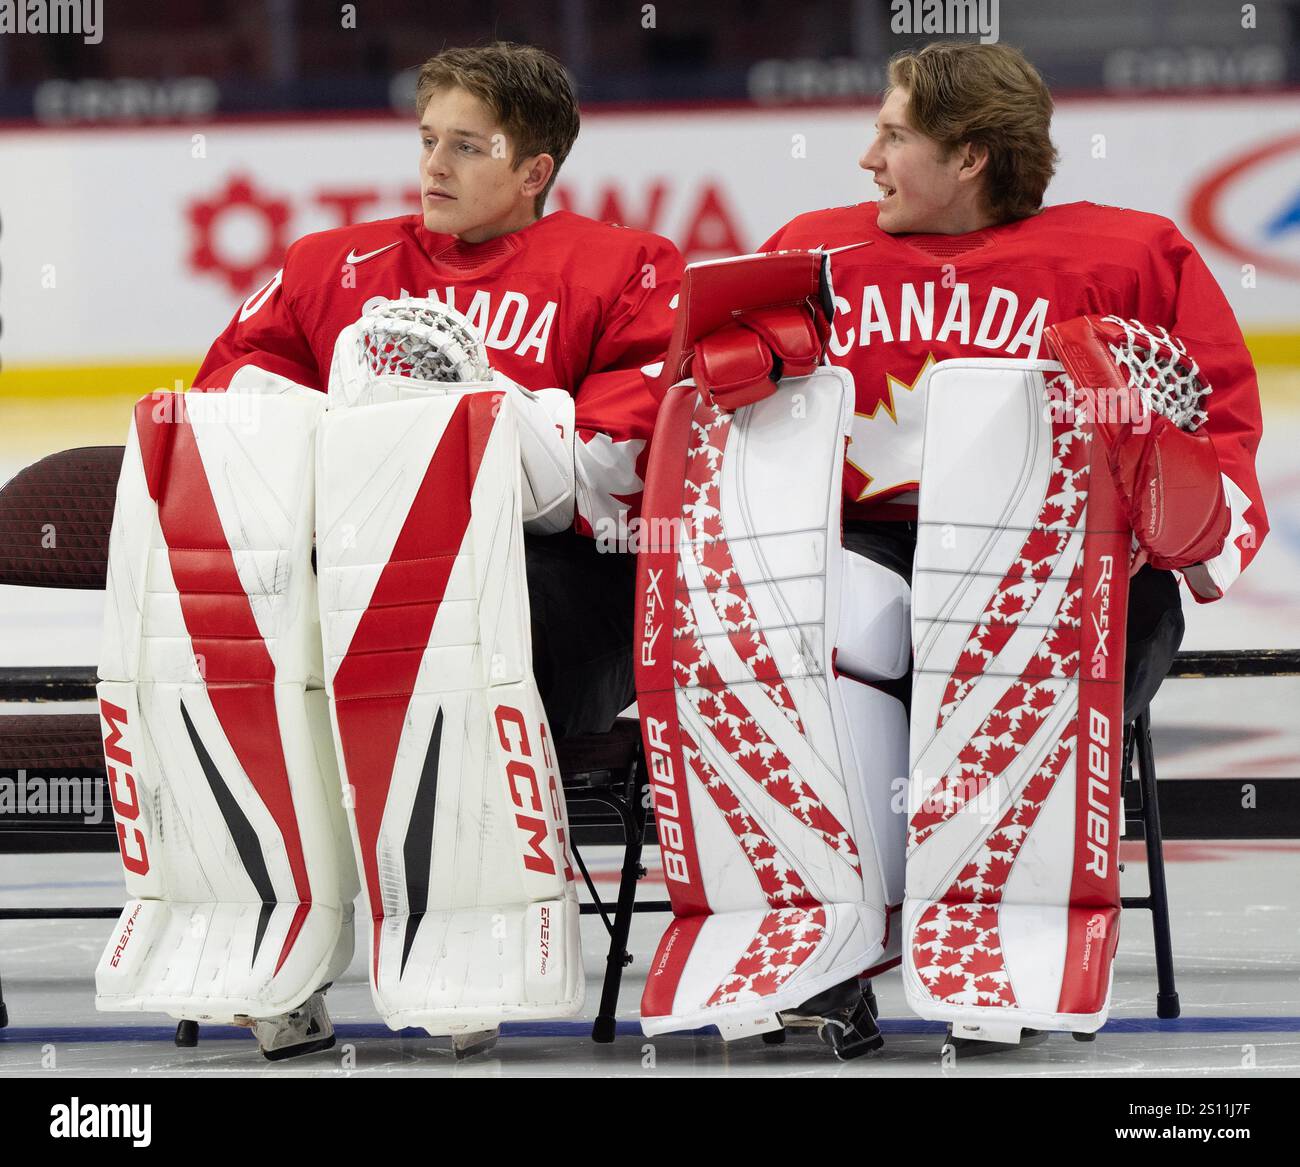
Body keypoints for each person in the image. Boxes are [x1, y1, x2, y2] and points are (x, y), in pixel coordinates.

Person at [753, 41, 1267, 724]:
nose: (868, 158)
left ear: (969, 158)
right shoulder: (813, 253)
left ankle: (1037, 814)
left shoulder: (1131, 260)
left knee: (1132, 600)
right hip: (859, 548)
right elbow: (719, 429)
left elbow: (1217, 420)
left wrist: (1173, 524)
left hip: (1058, 551)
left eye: (894, 135)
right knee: (789, 602)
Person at [195, 40, 683, 737]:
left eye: (466, 147)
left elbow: (614, 477)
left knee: (476, 631)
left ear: (533, 171)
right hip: (354, 552)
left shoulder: (625, 269)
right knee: (250, 613)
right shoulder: (332, 266)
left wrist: (417, 417)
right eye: (428, 140)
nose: (434, 166)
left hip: (543, 577)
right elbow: (225, 408)